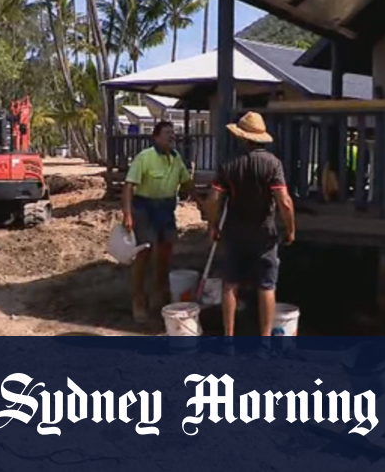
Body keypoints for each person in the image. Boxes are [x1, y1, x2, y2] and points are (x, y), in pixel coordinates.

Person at [206, 112, 296, 354]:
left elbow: (214, 199)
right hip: (264, 233)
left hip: (234, 230)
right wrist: (290, 228)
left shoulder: (229, 164)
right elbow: (285, 202)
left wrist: (213, 225)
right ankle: (264, 342)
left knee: (230, 284)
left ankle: (228, 340)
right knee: (266, 286)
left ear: (242, 138)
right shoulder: (273, 164)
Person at [121, 120, 194, 323]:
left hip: (166, 210)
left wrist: (202, 204)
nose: (171, 136)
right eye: (166, 133)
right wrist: (127, 214)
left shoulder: (176, 158)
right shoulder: (144, 157)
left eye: (172, 133)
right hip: (144, 209)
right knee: (143, 255)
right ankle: (138, 301)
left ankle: (160, 296)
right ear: (156, 137)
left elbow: (187, 183)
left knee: (165, 254)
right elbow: (128, 187)